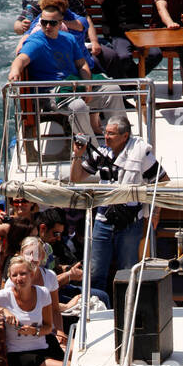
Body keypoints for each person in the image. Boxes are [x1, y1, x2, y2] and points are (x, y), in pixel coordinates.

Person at [69, 117, 168, 291]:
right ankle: (98, 303)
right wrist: (77, 154)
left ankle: (126, 306)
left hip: (130, 223)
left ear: (125, 136)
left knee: (127, 273)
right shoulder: (101, 153)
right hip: (102, 221)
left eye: (111, 134)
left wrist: (156, 213)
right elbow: (75, 178)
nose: (106, 137)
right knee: (95, 272)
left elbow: (163, 182)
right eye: (105, 132)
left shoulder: (142, 155)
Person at [7, 2, 95, 143]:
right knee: (78, 106)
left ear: (60, 23)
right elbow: (21, 59)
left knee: (112, 90)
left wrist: (87, 85)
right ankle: (92, 151)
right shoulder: (36, 42)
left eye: (52, 23)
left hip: (74, 84)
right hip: (51, 93)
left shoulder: (69, 39)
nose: (47, 26)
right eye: (44, 22)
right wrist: (15, 71)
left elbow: (81, 64)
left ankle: (122, 143)